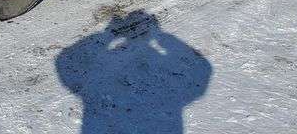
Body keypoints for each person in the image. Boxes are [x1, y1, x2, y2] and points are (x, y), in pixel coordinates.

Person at [56, 10, 212, 133]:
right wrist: (162, 38)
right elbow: (204, 70)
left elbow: (62, 61)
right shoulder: (178, 95)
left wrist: (107, 35)